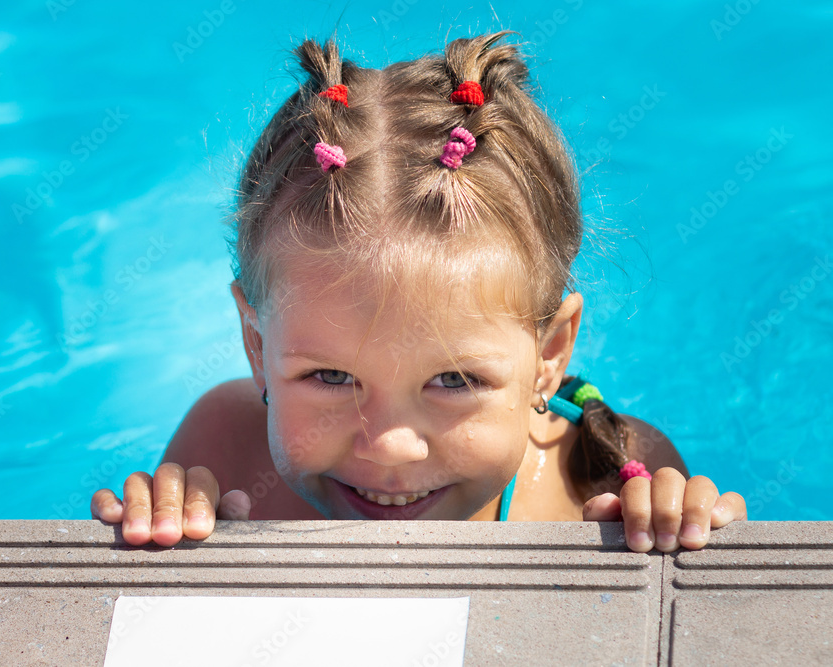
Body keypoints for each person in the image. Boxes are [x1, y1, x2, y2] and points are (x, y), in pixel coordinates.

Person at [91, 31, 746, 553]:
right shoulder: (224, 448)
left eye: (454, 380)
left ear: (550, 352)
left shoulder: (603, 482)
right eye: (329, 375)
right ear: (257, 344)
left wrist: (686, 529)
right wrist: (168, 536)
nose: (389, 446)